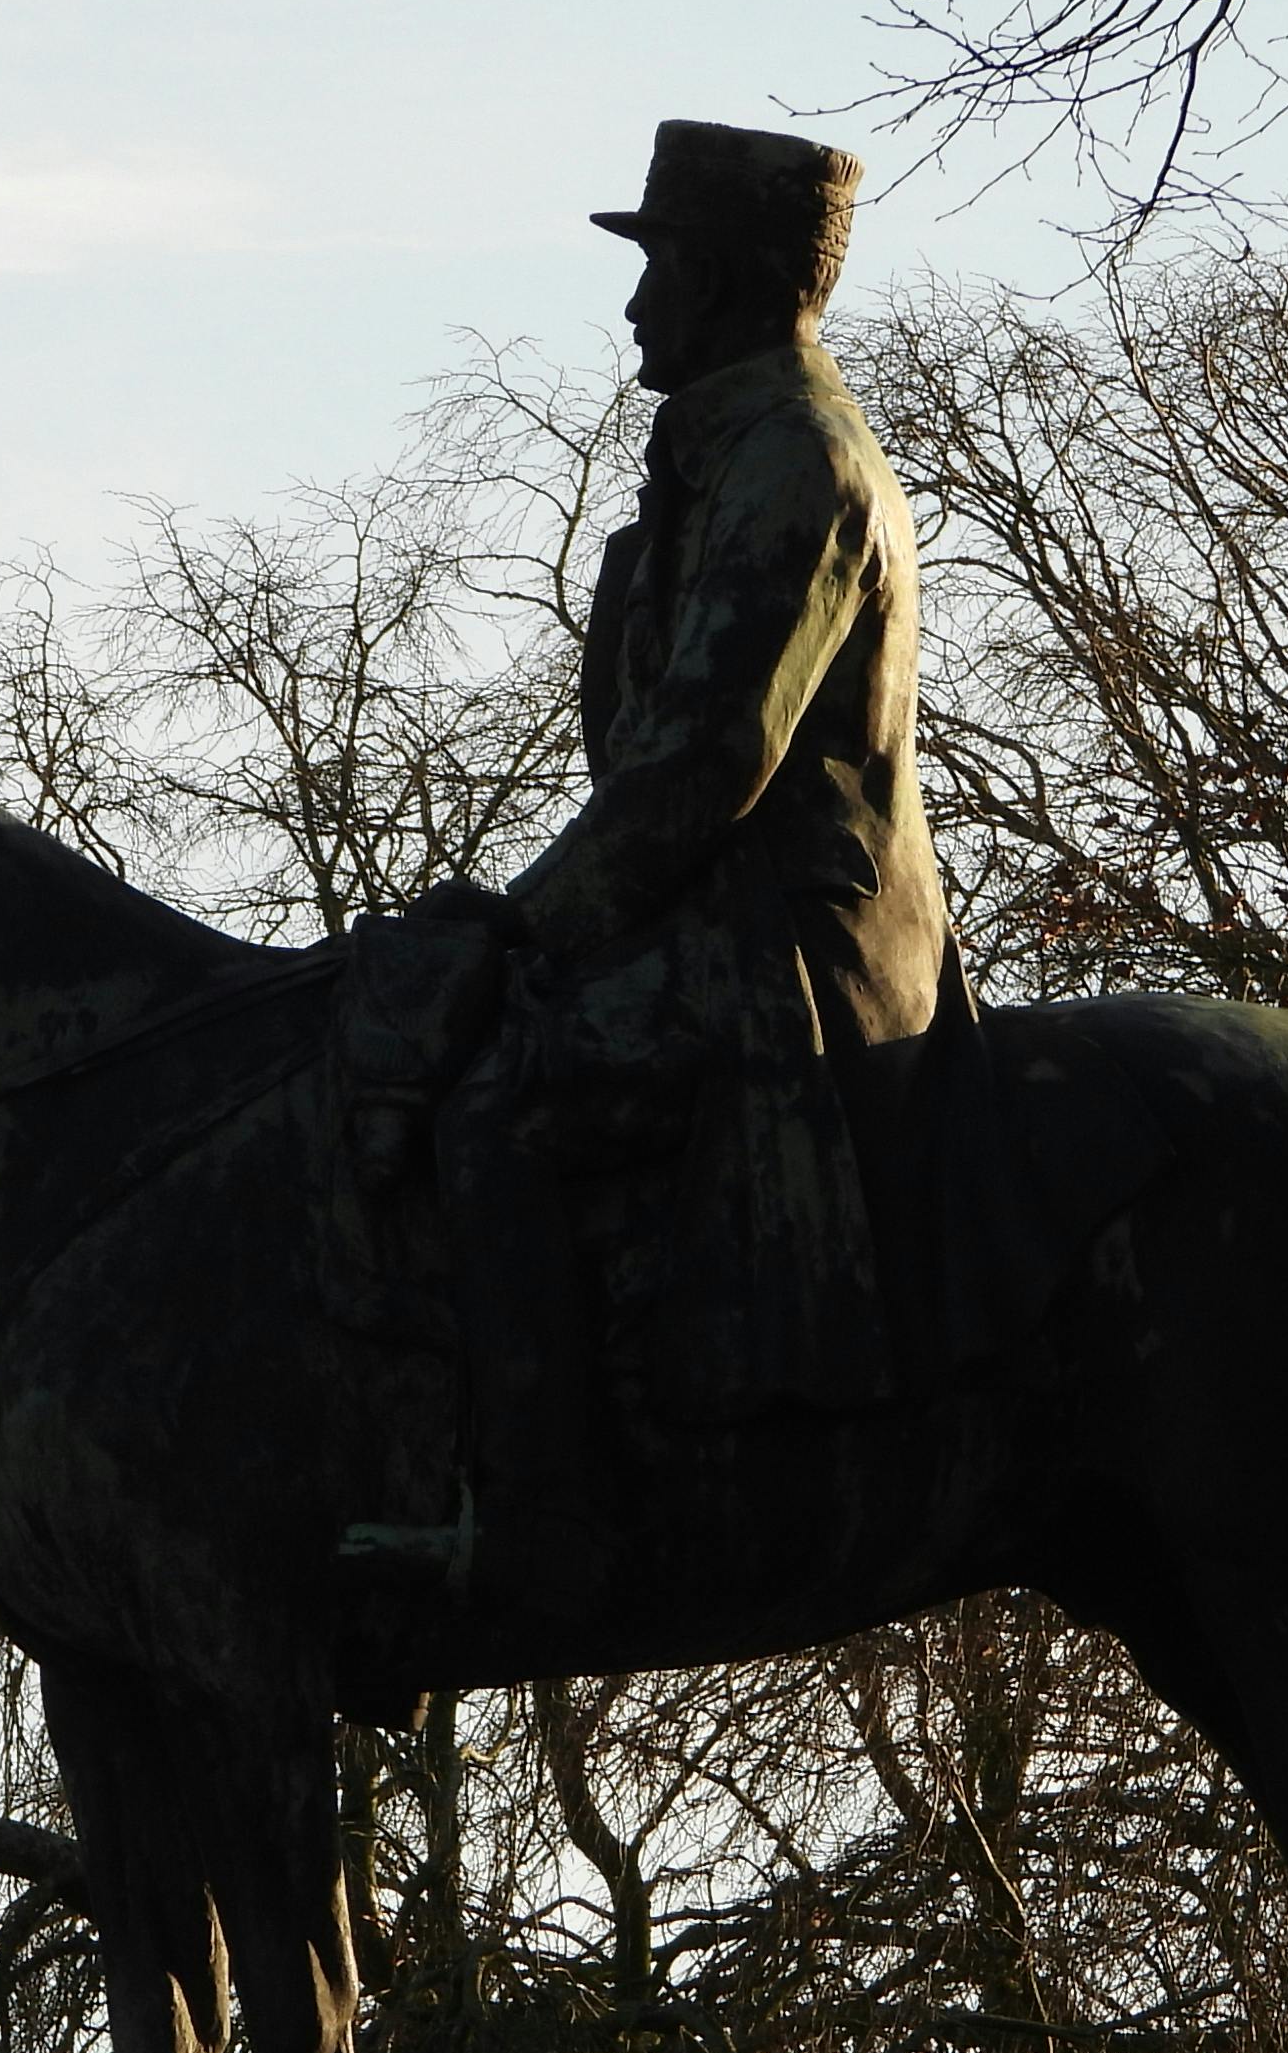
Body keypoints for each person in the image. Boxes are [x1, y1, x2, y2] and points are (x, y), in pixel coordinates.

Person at [403, 118, 1005, 1479]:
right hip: (712, 918)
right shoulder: (724, 461)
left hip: (783, 950)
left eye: (655, 265)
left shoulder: (798, 462)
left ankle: (545, 1511)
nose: (633, 305)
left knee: (493, 1104)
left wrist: (521, 929)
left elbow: (705, 764)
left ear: (717, 279)